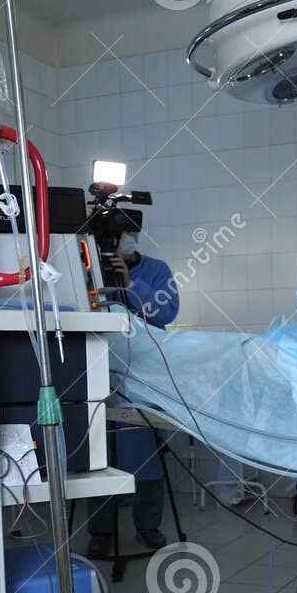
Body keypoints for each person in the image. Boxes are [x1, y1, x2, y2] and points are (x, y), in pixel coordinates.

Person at [88, 230, 179, 557]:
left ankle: (148, 526)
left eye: (125, 231)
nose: (119, 238)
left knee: (145, 454)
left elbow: (166, 314)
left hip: (145, 375)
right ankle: (100, 530)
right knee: (98, 455)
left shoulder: (156, 270)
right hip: (100, 370)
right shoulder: (88, 267)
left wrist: (128, 283)